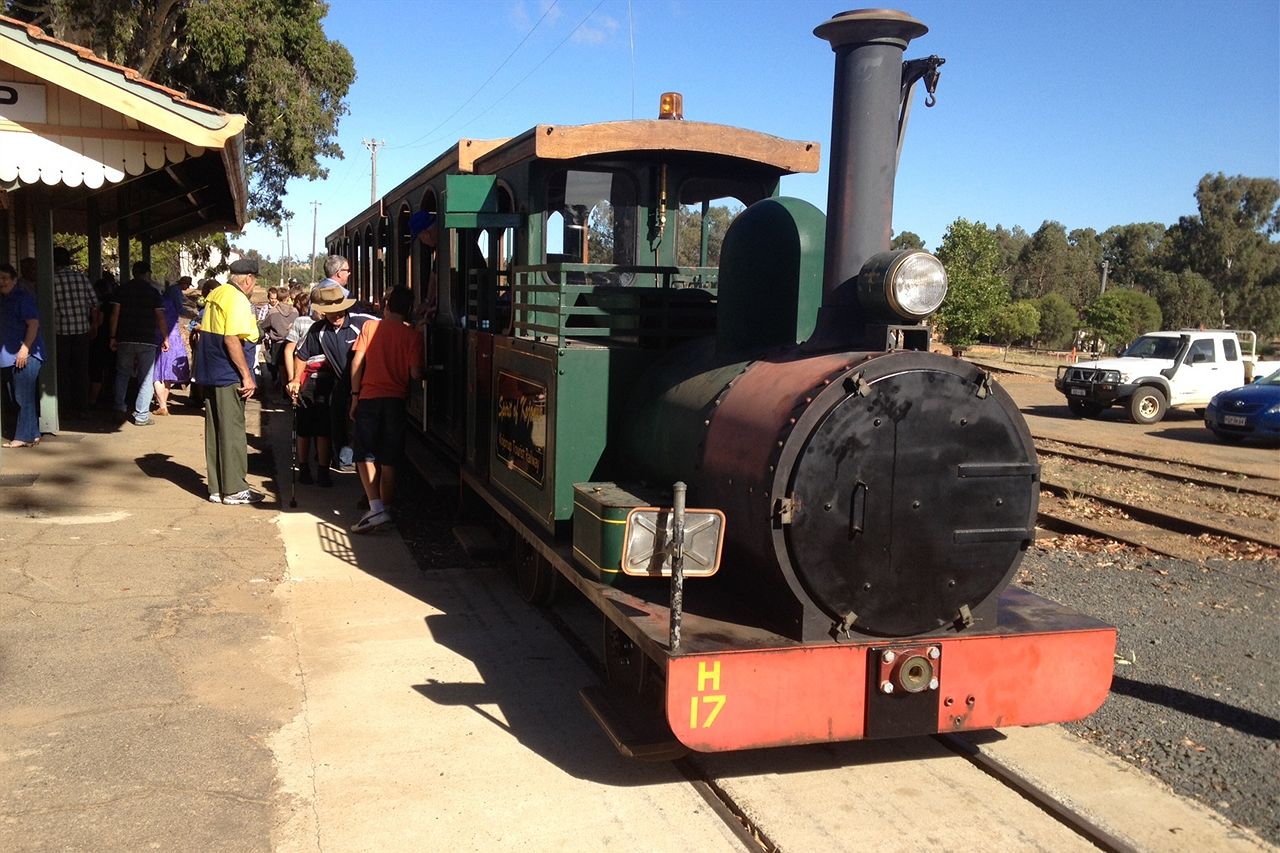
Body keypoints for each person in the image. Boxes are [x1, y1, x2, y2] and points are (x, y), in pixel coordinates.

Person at [347, 286, 424, 533]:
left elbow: (357, 362)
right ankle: (385, 509)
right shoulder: (413, 336)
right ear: (409, 308)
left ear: (387, 304)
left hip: (369, 396)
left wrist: (354, 395)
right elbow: (415, 373)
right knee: (390, 458)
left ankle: (375, 507)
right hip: (396, 401)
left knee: (364, 454)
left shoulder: (370, 328)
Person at [195, 259, 264, 505]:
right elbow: (232, 339)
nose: (253, 286)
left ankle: (217, 487)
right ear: (248, 279)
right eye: (254, 281)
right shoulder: (237, 299)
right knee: (233, 431)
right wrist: (246, 375)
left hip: (211, 370)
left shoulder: (217, 293)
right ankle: (235, 488)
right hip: (228, 373)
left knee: (215, 430)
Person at [286, 284, 364, 480]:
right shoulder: (317, 330)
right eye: (329, 313)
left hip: (362, 385)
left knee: (350, 429)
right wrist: (295, 379)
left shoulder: (361, 324)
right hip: (331, 384)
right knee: (317, 425)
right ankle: (311, 469)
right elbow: (301, 355)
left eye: (338, 312)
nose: (335, 317)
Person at [108, 261, 167, 426]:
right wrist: (165, 337)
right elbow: (160, 316)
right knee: (146, 377)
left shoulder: (122, 290)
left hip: (125, 337)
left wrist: (112, 336)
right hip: (147, 338)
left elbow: (115, 314)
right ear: (147, 274)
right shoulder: (153, 292)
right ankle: (141, 415)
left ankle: (119, 408)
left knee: (122, 373)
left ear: (133, 272)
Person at [0, 262, 45, 447]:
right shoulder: (2, 299)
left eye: (4, 278)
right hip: (7, 356)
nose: (1, 282)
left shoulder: (22, 298)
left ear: (14, 279)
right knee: (17, 395)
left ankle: (23, 436)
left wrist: (25, 349)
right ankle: (33, 433)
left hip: (25, 354)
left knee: (22, 397)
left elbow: (33, 324)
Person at [52, 246, 98, 416]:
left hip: (60, 331)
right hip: (81, 330)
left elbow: (49, 307)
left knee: (62, 371)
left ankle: (65, 408)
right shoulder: (81, 278)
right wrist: (93, 325)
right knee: (81, 370)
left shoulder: (52, 279)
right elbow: (94, 303)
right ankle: (83, 407)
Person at [282, 290, 322, 482]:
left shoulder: (333, 323)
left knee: (323, 428)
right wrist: (293, 379)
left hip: (325, 379)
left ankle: (322, 468)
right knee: (305, 425)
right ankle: (305, 467)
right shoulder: (302, 322)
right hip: (305, 379)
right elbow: (290, 350)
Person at [152, 276, 195, 415]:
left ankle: (162, 405)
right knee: (168, 373)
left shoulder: (158, 303)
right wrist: (193, 315)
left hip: (159, 337)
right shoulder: (173, 299)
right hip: (174, 337)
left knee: (157, 374)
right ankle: (163, 405)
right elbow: (181, 309)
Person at [258, 285, 299, 396]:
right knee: (292, 368)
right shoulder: (295, 311)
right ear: (287, 297)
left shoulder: (272, 312)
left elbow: (263, 325)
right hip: (293, 343)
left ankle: (283, 393)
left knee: (281, 370)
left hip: (278, 343)